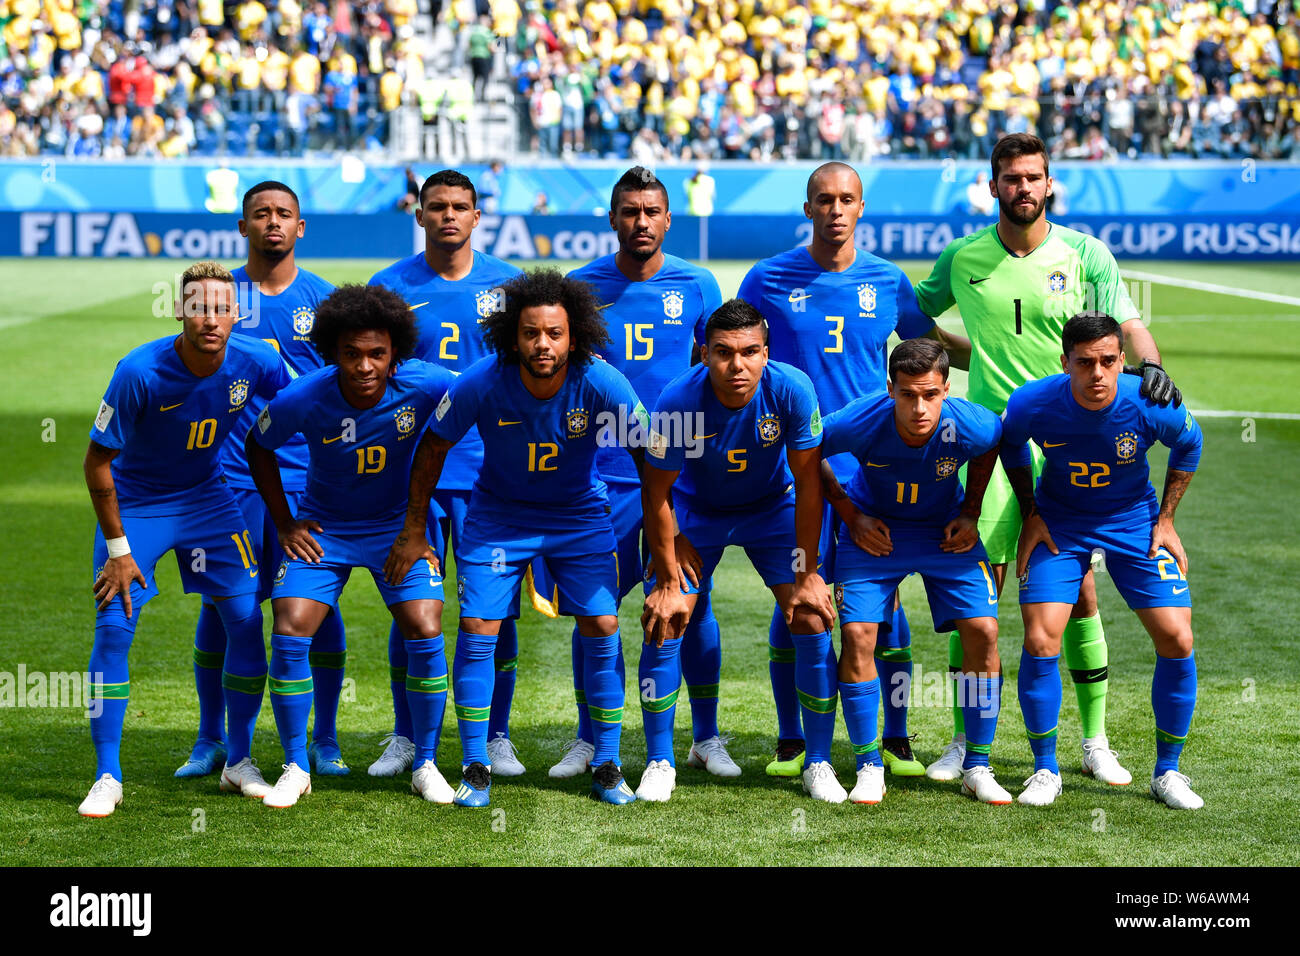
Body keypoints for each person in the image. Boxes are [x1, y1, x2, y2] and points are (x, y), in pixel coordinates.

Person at [914, 133, 1181, 784]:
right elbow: (919, 320)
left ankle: (1094, 741)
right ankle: (962, 739)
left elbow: (1125, 322)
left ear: (1049, 183)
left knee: (1080, 595)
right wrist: (969, 362)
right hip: (989, 445)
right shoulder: (962, 256)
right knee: (976, 594)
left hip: (1071, 444)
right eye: (1011, 178)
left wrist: (1152, 369)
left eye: (1034, 177)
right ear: (994, 185)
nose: (1024, 188)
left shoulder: (1085, 253)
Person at [737, 161, 970, 779]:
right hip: (794, 467)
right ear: (808, 207)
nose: (835, 209)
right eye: (824, 200)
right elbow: (733, 349)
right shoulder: (768, 277)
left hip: (877, 468)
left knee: (884, 604)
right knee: (798, 598)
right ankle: (794, 741)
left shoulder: (888, 281)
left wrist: (1005, 353)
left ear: (861, 208)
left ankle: (895, 739)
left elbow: (933, 348)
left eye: (847, 200)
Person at [387, 269, 647, 807]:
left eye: (554, 333)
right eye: (531, 333)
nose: (542, 344)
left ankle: (607, 763)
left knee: (601, 622)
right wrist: (415, 528)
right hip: (499, 519)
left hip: (578, 516)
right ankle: (477, 764)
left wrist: (668, 547)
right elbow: (432, 447)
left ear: (574, 335)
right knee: (480, 625)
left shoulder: (601, 380)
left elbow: (652, 456)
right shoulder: (482, 380)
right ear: (513, 335)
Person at [78, 261, 290, 817]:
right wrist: (120, 551)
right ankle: (107, 775)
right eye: (198, 306)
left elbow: (299, 405)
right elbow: (96, 463)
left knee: (246, 620)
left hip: (209, 500)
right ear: (180, 310)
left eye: (222, 307)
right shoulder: (138, 371)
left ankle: (238, 762)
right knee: (114, 628)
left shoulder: (258, 360)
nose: (211, 318)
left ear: (237, 313)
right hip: (138, 507)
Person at [246, 284, 458, 808]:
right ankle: (296, 765)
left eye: (377, 354)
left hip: (396, 530)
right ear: (332, 353)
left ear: (395, 353)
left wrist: (416, 527)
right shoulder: (303, 396)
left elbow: (481, 391)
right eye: (351, 354)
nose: (365, 366)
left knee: (426, 625)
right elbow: (258, 445)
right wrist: (285, 523)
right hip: (325, 532)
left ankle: (426, 762)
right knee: (291, 628)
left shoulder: (427, 383)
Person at [548, 167, 725, 783]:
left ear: (667, 219)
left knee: (690, 608)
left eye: (651, 211)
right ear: (613, 218)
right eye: (629, 211)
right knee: (594, 609)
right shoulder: (579, 287)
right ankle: (589, 735)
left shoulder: (698, 283)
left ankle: (705, 736)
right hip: (602, 475)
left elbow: (718, 370)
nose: (640, 222)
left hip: (679, 477)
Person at [176, 182, 347, 781]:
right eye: (261, 215)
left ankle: (323, 738)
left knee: (316, 606)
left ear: (301, 228)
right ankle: (212, 739)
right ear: (243, 227)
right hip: (224, 483)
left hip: (311, 482)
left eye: (284, 215)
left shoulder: (327, 302)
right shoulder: (219, 299)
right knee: (226, 608)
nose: (272, 223)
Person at [1001, 312, 1203, 809]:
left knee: (1178, 637)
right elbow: (1011, 446)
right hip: (1061, 523)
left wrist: (1167, 519)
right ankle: (1045, 770)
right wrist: (1030, 514)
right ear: (1064, 361)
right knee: (1041, 636)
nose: (1098, 374)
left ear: (1122, 361)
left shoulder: (1150, 404)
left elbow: (1190, 443)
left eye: (1109, 361)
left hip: (1134, 523)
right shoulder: (1034, 401)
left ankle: (1168, 772)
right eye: (1085, 362)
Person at [640, 300, 839, 801]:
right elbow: (657, 491)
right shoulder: (677, 402)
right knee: (668, 616)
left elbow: (810, 484)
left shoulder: (790, 389)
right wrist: (669, 573)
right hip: (695, 510)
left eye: (750, 352)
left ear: (766, 353)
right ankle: (666, 757)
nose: (738, 365)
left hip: (773, 509)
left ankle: (817, 761)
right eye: (724, 353)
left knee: (811, 616)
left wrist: (808, 570)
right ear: (703, 354)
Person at [368, 169, 525, 777]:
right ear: (421, 214)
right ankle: (407, 736)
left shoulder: (510, 286)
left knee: (496, 611)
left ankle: (496, 736)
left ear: (478, 216)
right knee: (414, 604)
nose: (449, 216)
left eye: (461, 206)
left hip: (494, 473)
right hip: (418, 474)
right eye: (438, 207)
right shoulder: (388, 288)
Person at [820, 338, 1010, 805]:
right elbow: (806, 449)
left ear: (947, 388)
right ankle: (868, 764)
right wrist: (850, 515)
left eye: (930, 394)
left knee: (984, 631)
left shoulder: (971, 423)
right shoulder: (860, 420)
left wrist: (971, 509)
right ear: (891, 390)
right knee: (860, 634)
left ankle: (978, 764)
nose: (919, 407)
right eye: (908, 395)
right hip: (874, 530)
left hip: (941, 532)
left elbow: (993, 445)